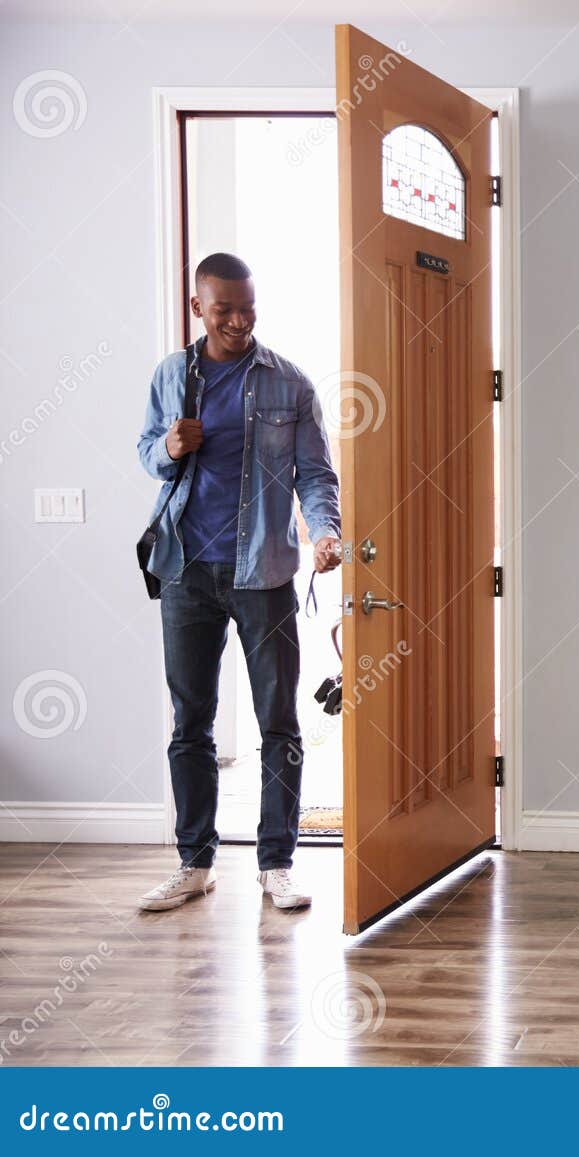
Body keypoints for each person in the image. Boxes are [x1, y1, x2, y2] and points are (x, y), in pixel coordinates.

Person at [135, 252, 341, 912]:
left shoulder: (289, 383)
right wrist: (169, 448)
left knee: (278, 721)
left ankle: (277, 863)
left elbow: (316, 476)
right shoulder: (172, 376)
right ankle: (194, 862)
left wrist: (326, 531)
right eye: (223, 308)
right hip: (186, 570)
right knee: (190, 721)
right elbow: (145, 452)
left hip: (266, 571)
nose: (238, 320)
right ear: (197, 307)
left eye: (247, 306)